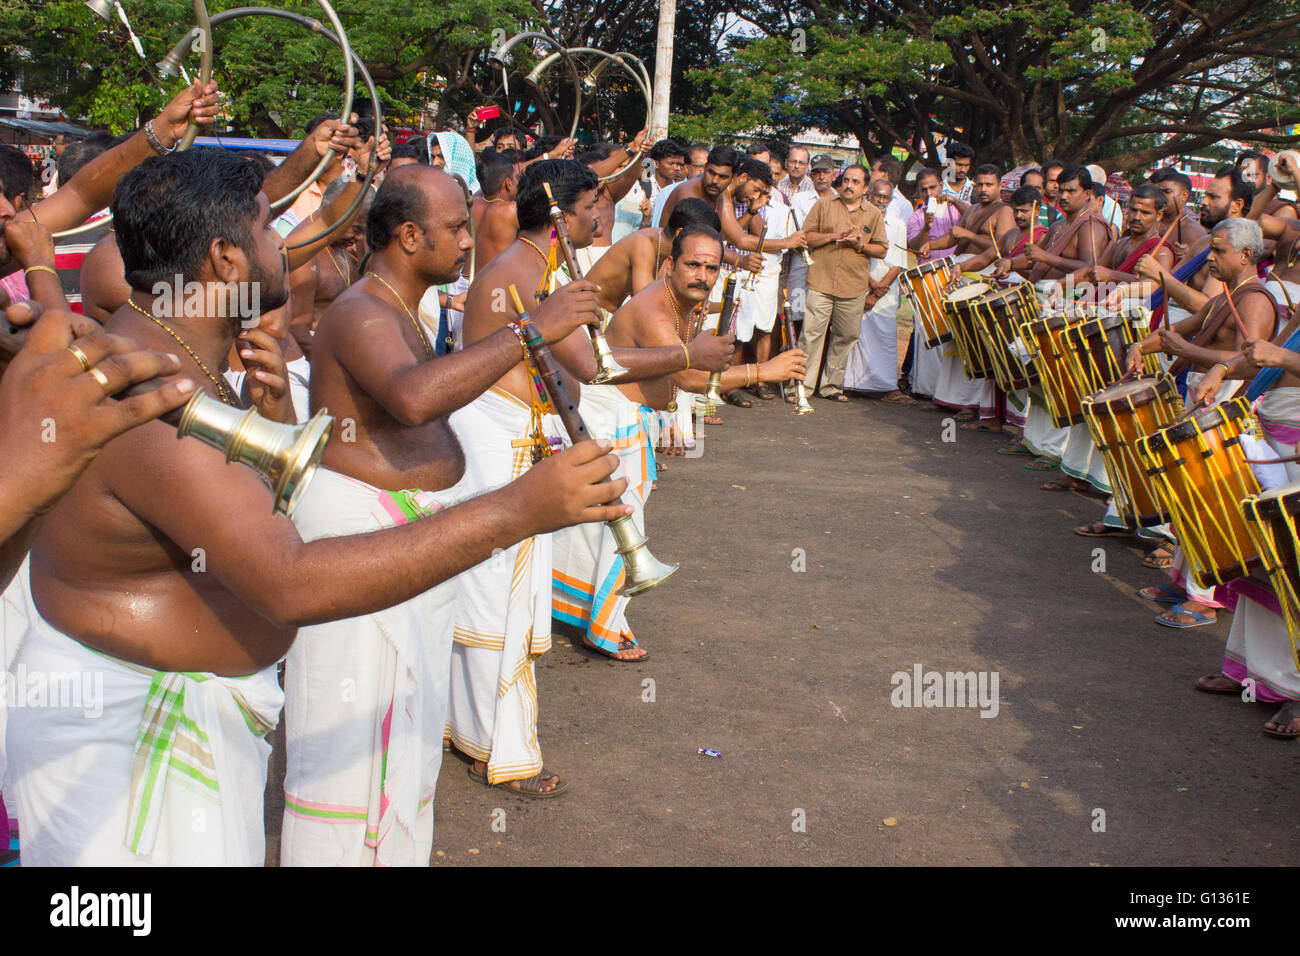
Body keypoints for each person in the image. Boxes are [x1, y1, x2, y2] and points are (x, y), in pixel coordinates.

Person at [5, 148, 630, 867]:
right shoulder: (150, 396)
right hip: (128, 748)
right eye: (269, 229)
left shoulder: (177, 354)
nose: (284, 246)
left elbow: (234, 515)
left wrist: (268, 408)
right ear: (225, 259)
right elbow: (287, 581)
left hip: (171, 728)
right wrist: (515, 511)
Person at [1126, 218, 1279, 629]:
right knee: (1188, 498)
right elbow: (1178, 334)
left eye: (1220, 251)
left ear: (1247, 256)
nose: (1209, 257)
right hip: (1201, 398)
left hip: (1227, 406)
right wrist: (1141, 345)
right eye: (1211, 249)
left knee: (1210, 498)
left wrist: (1186, 349)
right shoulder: (1224, 298)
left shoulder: (1256, 301)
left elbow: (1251, 362)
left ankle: (1207, 598)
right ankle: (1183, 582)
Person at [796, 164, 887, 402]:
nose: (849, 185)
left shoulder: (873, 214)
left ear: (865, 187)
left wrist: (860, 245)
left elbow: (882, 249)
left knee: (845, 336)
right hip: (821, 281)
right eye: (846, 180)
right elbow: (806, 237)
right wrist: (832, 237)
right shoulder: (824, 205)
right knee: (811, 335)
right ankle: (801, 387)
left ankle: (831, 387)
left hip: (853, 286)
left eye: (856, 182)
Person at [285, 176, 372, 366]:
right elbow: (297, 331)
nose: (358, 237)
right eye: (356, 229)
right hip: (311, 364)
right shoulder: (306, 253)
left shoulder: (339, 245)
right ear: (336, 213)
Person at [844, 178, 912, 402]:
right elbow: (851, 256)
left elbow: (900, 262)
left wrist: (877, 291)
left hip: (887, 291)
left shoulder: (898, 224)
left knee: (885, 338)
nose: (881, 201)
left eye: (886, 197)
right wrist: (870, 286)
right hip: (859, 283)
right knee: (855, 336)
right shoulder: (858, 220)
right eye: (877, 196)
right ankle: (851, 384)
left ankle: (886, 386)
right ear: (868, 195)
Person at [472, 148, 521, 269]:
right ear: (508, 183)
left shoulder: (471, 203)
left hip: (462, 281)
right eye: (517, 178)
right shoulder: (511, 210)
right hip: (490, 281)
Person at [869, 155, 913, 225]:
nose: (869, 174)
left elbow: (904, 234)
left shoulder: (903, 205)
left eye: (873, 170)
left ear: (885, 174)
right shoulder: (865, 196)